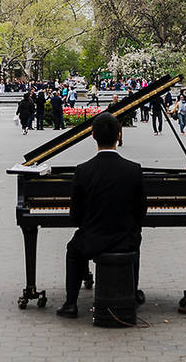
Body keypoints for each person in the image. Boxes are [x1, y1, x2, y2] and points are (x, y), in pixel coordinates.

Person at [57, 112, 147, 318]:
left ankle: (71, 303)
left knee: (73, 249)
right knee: (136, 236)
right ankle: (131, 292)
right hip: (125, 240)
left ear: (93, 136)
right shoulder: (134, 170)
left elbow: (75, 216)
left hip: (93, 241)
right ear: (119, 136)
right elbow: (141, 212)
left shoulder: (82, 171)